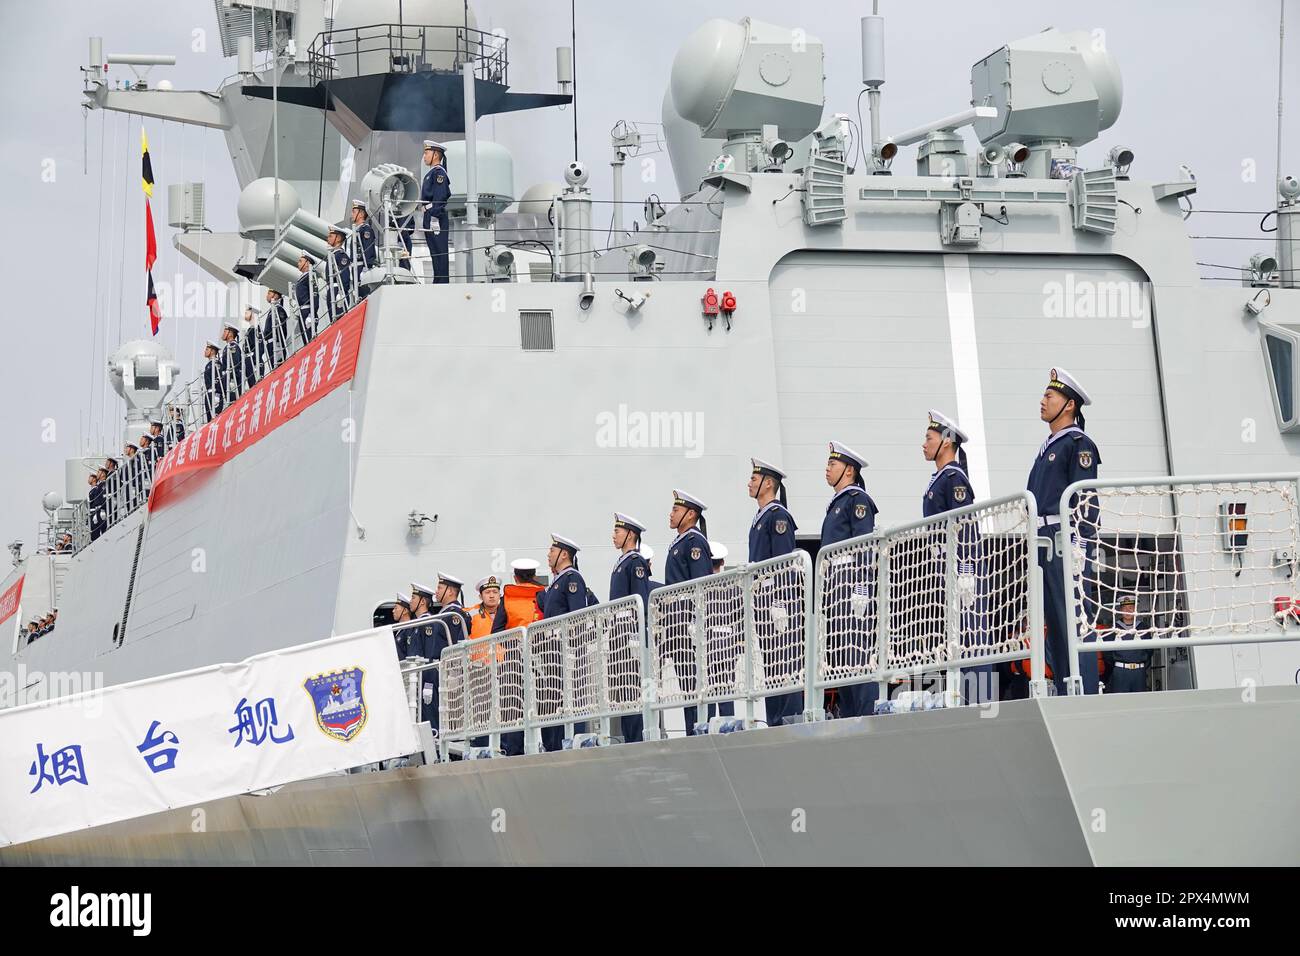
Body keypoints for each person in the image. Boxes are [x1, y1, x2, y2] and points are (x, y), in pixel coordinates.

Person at [1027, 367, 1101, 695]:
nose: (1043, 401)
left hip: (1064, 541)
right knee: (1053, 623)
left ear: (1069, 404)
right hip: (1043, 541)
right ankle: (1063, 685)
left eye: (1049, 396)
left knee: (1072, 618)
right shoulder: (1047, 447)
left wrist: (1079, 544)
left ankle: (1082, 687)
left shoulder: (1077, 443)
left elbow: (1085, 499)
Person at [921, 410, 990, 703]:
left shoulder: (954, 478)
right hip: (945, 566)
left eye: (929, 437)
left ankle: (980, 701)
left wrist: (965, 569)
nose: (924, 443)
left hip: (961, 568)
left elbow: (966, 526)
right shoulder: (940, 478)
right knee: (956, 634)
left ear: (947, 441)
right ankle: (962, 697)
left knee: (971, 632)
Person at [820, 441, 880, 719]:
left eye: (833, 464)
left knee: (856, 654)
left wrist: (861, 587)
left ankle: (864, 714)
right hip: (835, 583)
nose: (827, 469)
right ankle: (849, 715)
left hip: (851, 583)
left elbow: (865, 546)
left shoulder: (857, 500)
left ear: (849, 470)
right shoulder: (838, 502)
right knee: (840, 656)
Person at [747, 457, 802, 727]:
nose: (750, 483)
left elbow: (782, 563)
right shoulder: (761, 516)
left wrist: (780, 601)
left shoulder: (778, 516)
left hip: (776, 599)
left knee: (784, 659)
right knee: (771, 662)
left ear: (769, 484)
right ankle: (775, 719)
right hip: (764, 599)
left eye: (754, 479)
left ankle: (788, 719)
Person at [662, 489, 712, 735]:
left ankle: (700, 727)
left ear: (690, 514)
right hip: (675, 617)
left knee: (694, 678)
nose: (671, 514)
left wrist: (696, 619)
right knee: (685, 680)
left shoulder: (694, 541)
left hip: (686, 616)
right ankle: (691, 728)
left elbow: (701, 583)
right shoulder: (680, 541)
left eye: (676, 510)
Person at [539, 533, 590, 751]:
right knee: (553, 699)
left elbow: (577, 616)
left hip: (564, 649)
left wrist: (572, 647)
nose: (548, 554)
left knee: (567, 698)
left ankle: (568, 740)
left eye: (552, 550)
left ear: (564, 554)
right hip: (551, 650)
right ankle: (553, 744)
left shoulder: (572, 579)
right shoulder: (558, 581)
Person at [609, 513, 651, 743]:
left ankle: (636, 736)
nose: (614, 535)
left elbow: (640, 600)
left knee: (632, 687)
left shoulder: (635, 562)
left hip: (629, 631)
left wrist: (637, 634)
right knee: (623, 688)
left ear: (630, 535)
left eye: (618, 531)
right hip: (619, 631)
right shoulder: (622, 562)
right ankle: (629, 735)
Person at [1103, 595, 1150, 693]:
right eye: (1124, 608)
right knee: (1120, 703)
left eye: (1130, 608)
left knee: (1139, 703)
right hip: (1120, 672)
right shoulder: (1113, 629)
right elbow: (1107, 654)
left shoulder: (1143, 628)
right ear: (1120, 610)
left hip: (1139, 672)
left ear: (1135, 609)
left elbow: (1149, 651)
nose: (1127, 611)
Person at [419, 140, 451, 283]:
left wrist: (434, 217)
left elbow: (440, 196)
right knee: (434, 251)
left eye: (426, 153)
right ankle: (437, 279)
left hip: (435, 216)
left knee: (440, 251)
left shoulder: (439, 173)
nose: (424, 156)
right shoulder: (431, 173)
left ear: (436, 154)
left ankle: (441, 281)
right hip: (429, 215)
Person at [503, 558, 545, 629]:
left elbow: (497, 630)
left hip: (515, 639)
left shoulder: (505, 600)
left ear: (515, 578)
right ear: (535, 577)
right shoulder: (546, 596)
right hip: (541, 639)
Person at [347, 199, 378, 294]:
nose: (352, 214)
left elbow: (368, 250)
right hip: (356, 268)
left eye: (354, 212)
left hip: (362, 268)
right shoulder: (357, 230)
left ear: (361, 214)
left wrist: (365, 269)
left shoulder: (365, 230)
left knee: (363, 294)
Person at [324, 225, 353, 321]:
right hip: (332, 290)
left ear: (338, 238)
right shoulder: (333, 255)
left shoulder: (341, 255)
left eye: (331, 236)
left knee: (340, 319)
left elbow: (345, 277)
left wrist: (342, 293)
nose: (328, 238)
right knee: (333, 321)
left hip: (338, 291)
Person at [292, 253, 320, 346]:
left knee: (310, 339)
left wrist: (311, 314)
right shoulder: (302, 278)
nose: (298, 263)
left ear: (307, 263)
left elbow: (314, 295)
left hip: (308, 311)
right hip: (302, 311)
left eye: (300, 261)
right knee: (306, 342)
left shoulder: (310, 276)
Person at [262, 288, 290, 372]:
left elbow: (282, 329)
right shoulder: (273, 309)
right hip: (270, 344)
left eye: (269, 293)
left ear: (276, 295)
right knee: (274, 370)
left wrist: (278, 343)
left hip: (276, 344)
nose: (267, 296)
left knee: (278, 369)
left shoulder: (278, 309)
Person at [219, 321, 245, 404]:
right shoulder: (228, 347)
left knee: (232, 402)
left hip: (232, 382)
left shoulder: (233, 346)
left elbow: (235, 366)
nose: (223, 333)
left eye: (225, 331)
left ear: (230, 333)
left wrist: (231, 381)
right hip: (227, 381)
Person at [202, 339, 224, 422]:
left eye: (207, 349)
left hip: (215, 394)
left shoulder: (216, 364)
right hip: (209, 394)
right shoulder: (210, 364)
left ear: (213, 351)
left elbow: (218, 379)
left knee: (214, 418)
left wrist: (216, 395)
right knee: (209, 419)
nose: (205, 351)